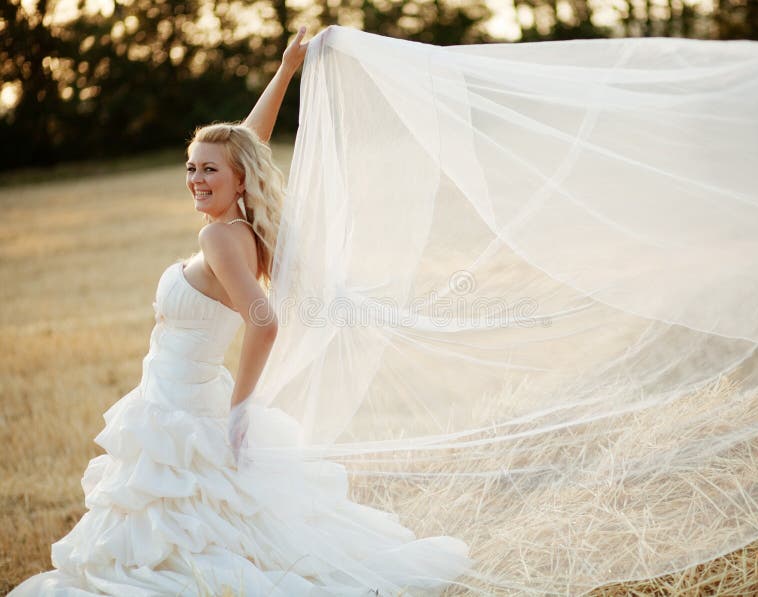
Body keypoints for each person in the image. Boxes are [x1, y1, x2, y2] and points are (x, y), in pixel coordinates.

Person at [8, 26, 473, 597]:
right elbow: (248, 141)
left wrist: (240, 406)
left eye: (208, 171)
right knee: (198, 517)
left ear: (237, 179)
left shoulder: (221, 240)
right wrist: (284, 71)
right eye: (191, 168)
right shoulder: (238, 224)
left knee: (177, 524)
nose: (196, 180)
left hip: (186, 402)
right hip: (178, 396)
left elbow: (264, 319)